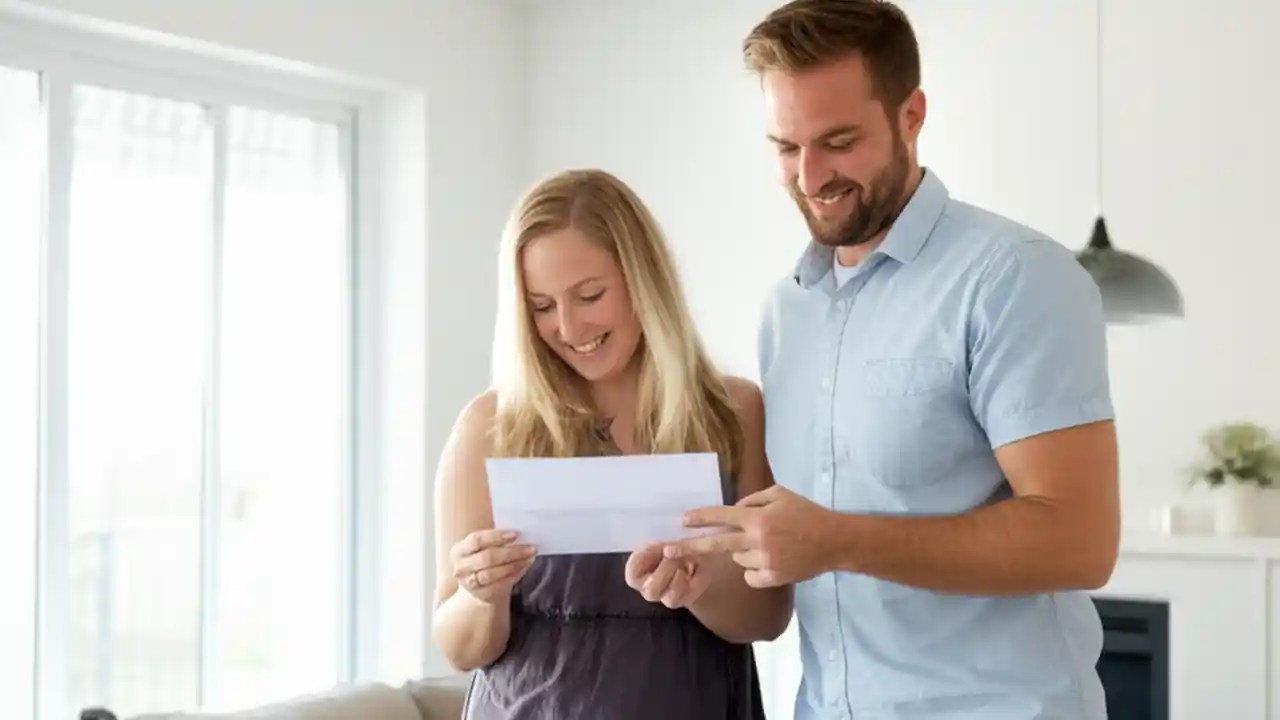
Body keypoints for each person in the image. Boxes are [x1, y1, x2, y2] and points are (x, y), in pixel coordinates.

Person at [665, 2, 1120, 718]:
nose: (810, 176)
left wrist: (838, 541)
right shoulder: (788, 310)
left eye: (839, 142)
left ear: (912, 116)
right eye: (786, 147)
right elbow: (796, 562)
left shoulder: (1013, 277)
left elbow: (1079, 541)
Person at [430, 168, 793, 719]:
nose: (569, 328)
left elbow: (767, 618)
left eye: (589, 296)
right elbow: (458, 648)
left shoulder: (732, 412)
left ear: (643, 279)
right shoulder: (490, 426)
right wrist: (483, 595)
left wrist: (702, 588)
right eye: (542, 306)